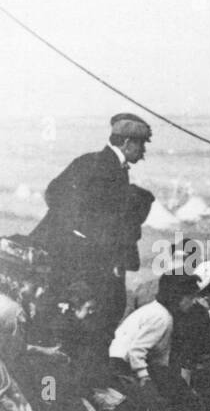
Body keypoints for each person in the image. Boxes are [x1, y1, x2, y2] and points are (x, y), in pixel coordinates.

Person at [29, 113, 155, 346]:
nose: (144, 152)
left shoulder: (109, 166)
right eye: (141, 145)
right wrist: (82, 234)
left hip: (84, 255)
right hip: (72, 254)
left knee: (88, 311)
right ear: (126, 143)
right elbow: (55, 193)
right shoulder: (98, 164)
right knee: (78, 311)